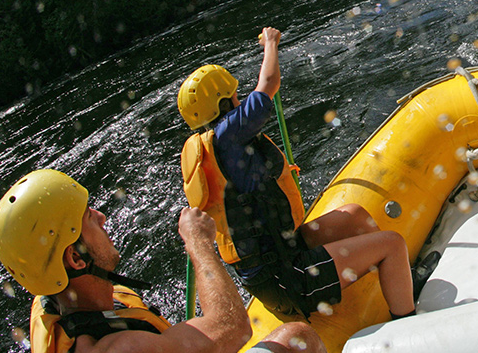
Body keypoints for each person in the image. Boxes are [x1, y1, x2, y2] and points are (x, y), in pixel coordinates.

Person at [0, 168, 347, 353]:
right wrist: (198, 243)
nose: (100, 216)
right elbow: (232, 328)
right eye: (86, 218)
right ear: (75, 257)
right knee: (299, 338)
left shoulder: (56, 299)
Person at [177, 27, 419, 321]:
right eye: (233, 95)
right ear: (223, 103)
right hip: (288, 279)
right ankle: (406, 320)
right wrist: (270, 43)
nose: (239, 99)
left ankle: (392, 273)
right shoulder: (230, 132)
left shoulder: (213, 144)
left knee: (354, 214)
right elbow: (269, 83)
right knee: (393, 242)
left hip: (280, 257)